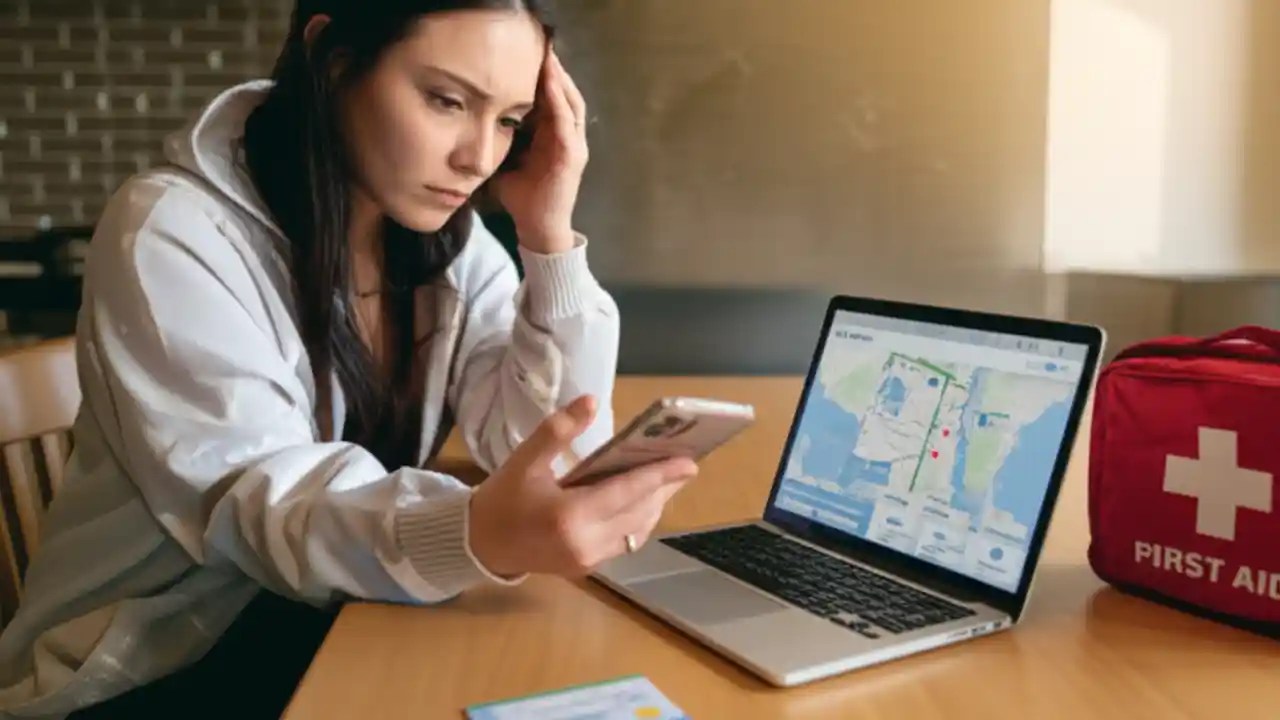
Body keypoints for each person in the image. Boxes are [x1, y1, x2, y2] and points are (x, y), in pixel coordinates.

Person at [0, 2, 698, 717]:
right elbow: (264, 506)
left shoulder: (448, 244)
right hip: (149, 674)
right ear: (334, 62)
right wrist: (473, 531)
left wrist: (548, 236)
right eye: (448, 101)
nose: (480, 157)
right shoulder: (172, 233)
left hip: (327, 625)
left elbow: (543, 460)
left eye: (511, 120)